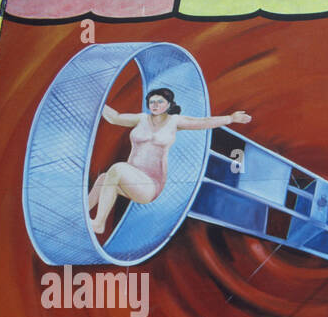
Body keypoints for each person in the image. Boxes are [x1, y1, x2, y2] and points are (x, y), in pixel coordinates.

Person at [88, 88, 251, 234]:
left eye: (160, 101)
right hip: (132, 180)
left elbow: (202, 123)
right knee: (104, 179)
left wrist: (230, 118)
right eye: (152, 102)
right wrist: (96, 99)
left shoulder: (174, 121)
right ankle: (79, 213)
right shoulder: (141, 119)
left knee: (117, 169)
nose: (155, 105)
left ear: (168, 104)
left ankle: (99, 223)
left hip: (150, 185)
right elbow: (114, 118)